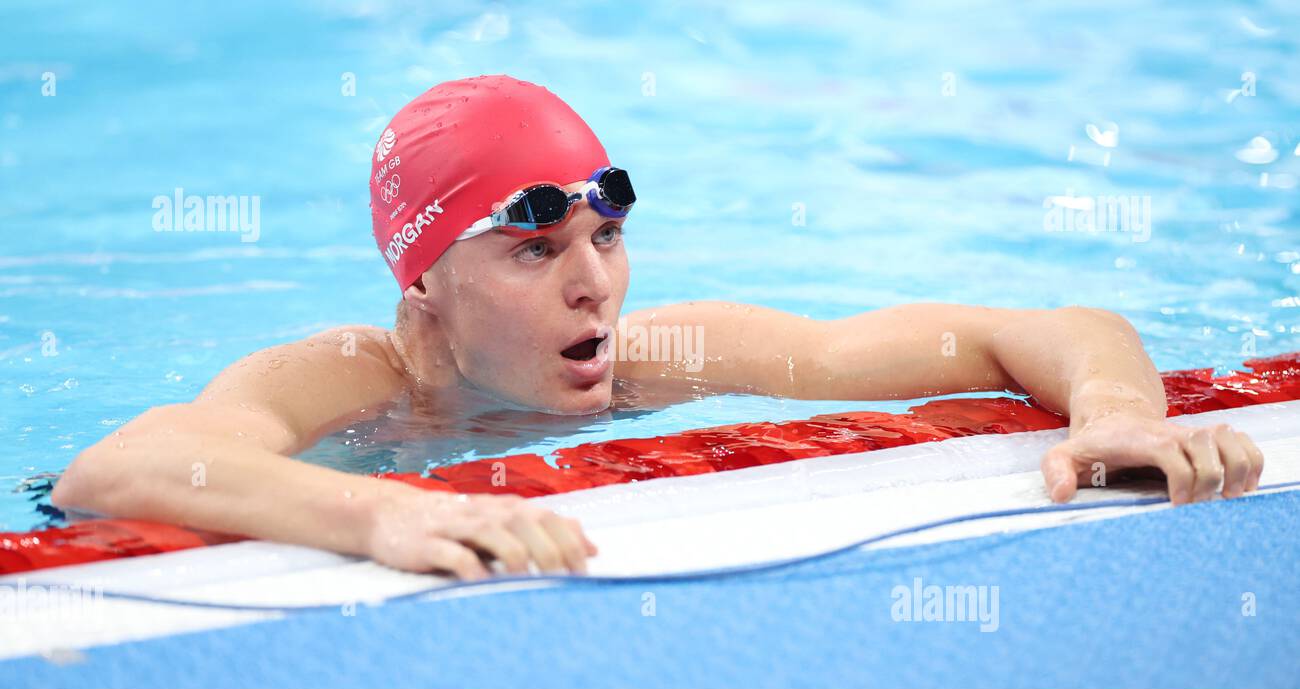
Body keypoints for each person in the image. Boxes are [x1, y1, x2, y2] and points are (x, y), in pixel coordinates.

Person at [52, 75, 1265, 579]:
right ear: (421, 280)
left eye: (606, 239)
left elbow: (1043, 328)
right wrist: (389, 512)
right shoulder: (348, 380)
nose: (595, 287)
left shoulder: (656, 362)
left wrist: (1117, 417)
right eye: (535, 251)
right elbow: (116, 471)